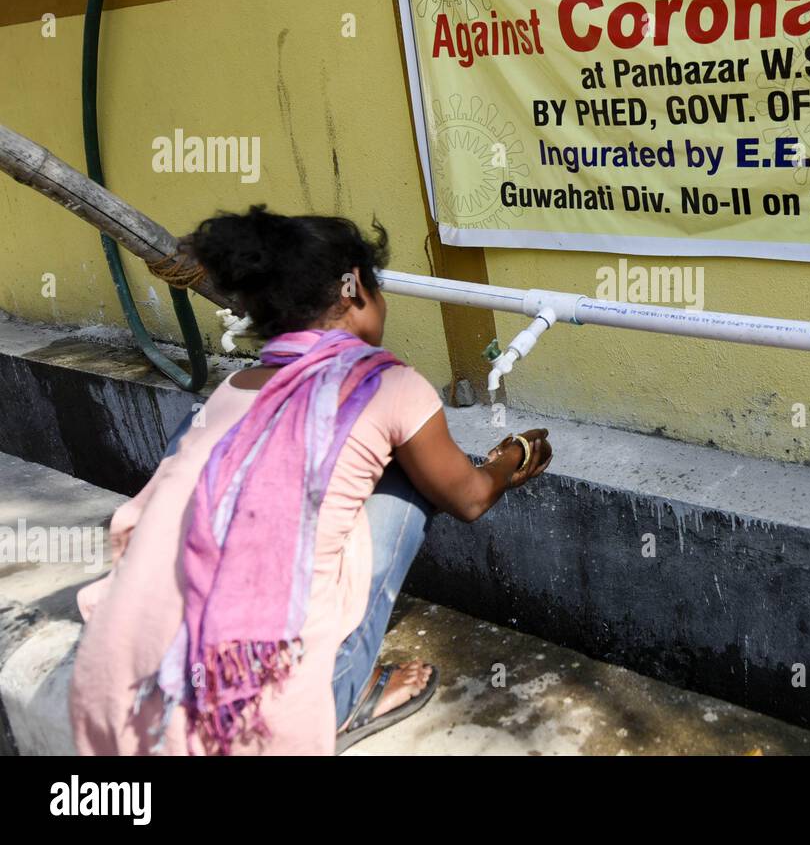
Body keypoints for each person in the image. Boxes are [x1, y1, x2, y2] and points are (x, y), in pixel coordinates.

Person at [68, 205, 551, 754]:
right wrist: (512, 456)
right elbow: (468, 497)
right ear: (353, 294)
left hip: (112, 690)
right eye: (378, 287)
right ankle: (344, 692)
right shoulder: (390, 386)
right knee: (419, 473)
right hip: (256, 726)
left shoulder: (233, 392)